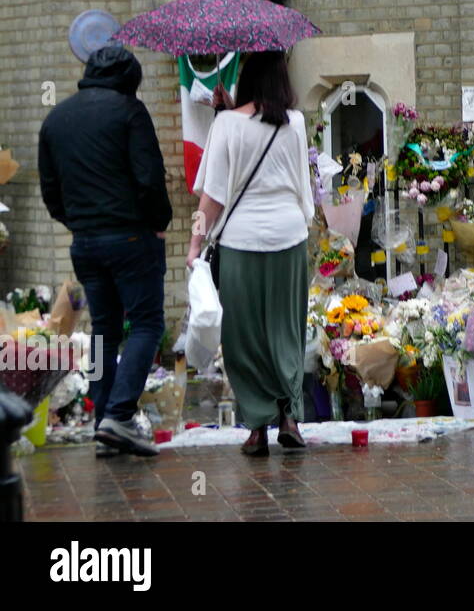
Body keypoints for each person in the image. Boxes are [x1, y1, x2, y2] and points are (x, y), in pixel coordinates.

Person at [38, 45, 172, 458]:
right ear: (130, 80)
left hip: (86, 242)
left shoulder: (56, 119)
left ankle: (103, 425)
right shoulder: (130, 113)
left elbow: (50, 191)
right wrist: (158, 222)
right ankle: (119, 414)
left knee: (103, 332)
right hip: (131, 237)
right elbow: (149, 179)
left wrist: (78, 224)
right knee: (147, 324)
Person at [187, 51, 314, 456]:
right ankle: (290, 416)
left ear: (247, 76)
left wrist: (194, 245)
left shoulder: (226, 123)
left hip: (241, 243)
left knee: (243, 336)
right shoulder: (294, 122)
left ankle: (257, 427)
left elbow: (213, 197)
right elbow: (300, 184)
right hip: (289, 238)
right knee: (286, 330)